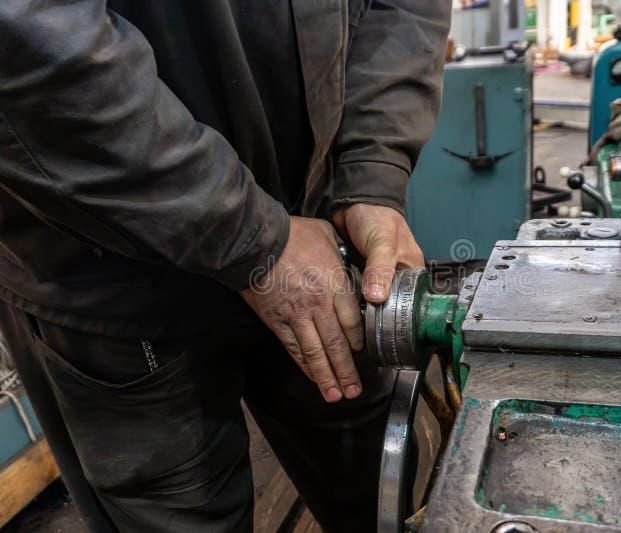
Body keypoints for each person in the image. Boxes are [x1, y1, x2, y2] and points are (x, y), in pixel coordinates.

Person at [0, 1, 450, 531]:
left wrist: (372, 171)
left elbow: (400, 10)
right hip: (115, 274)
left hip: (320, 244)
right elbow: (26, 37)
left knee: (378, 497)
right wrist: (255, 239)